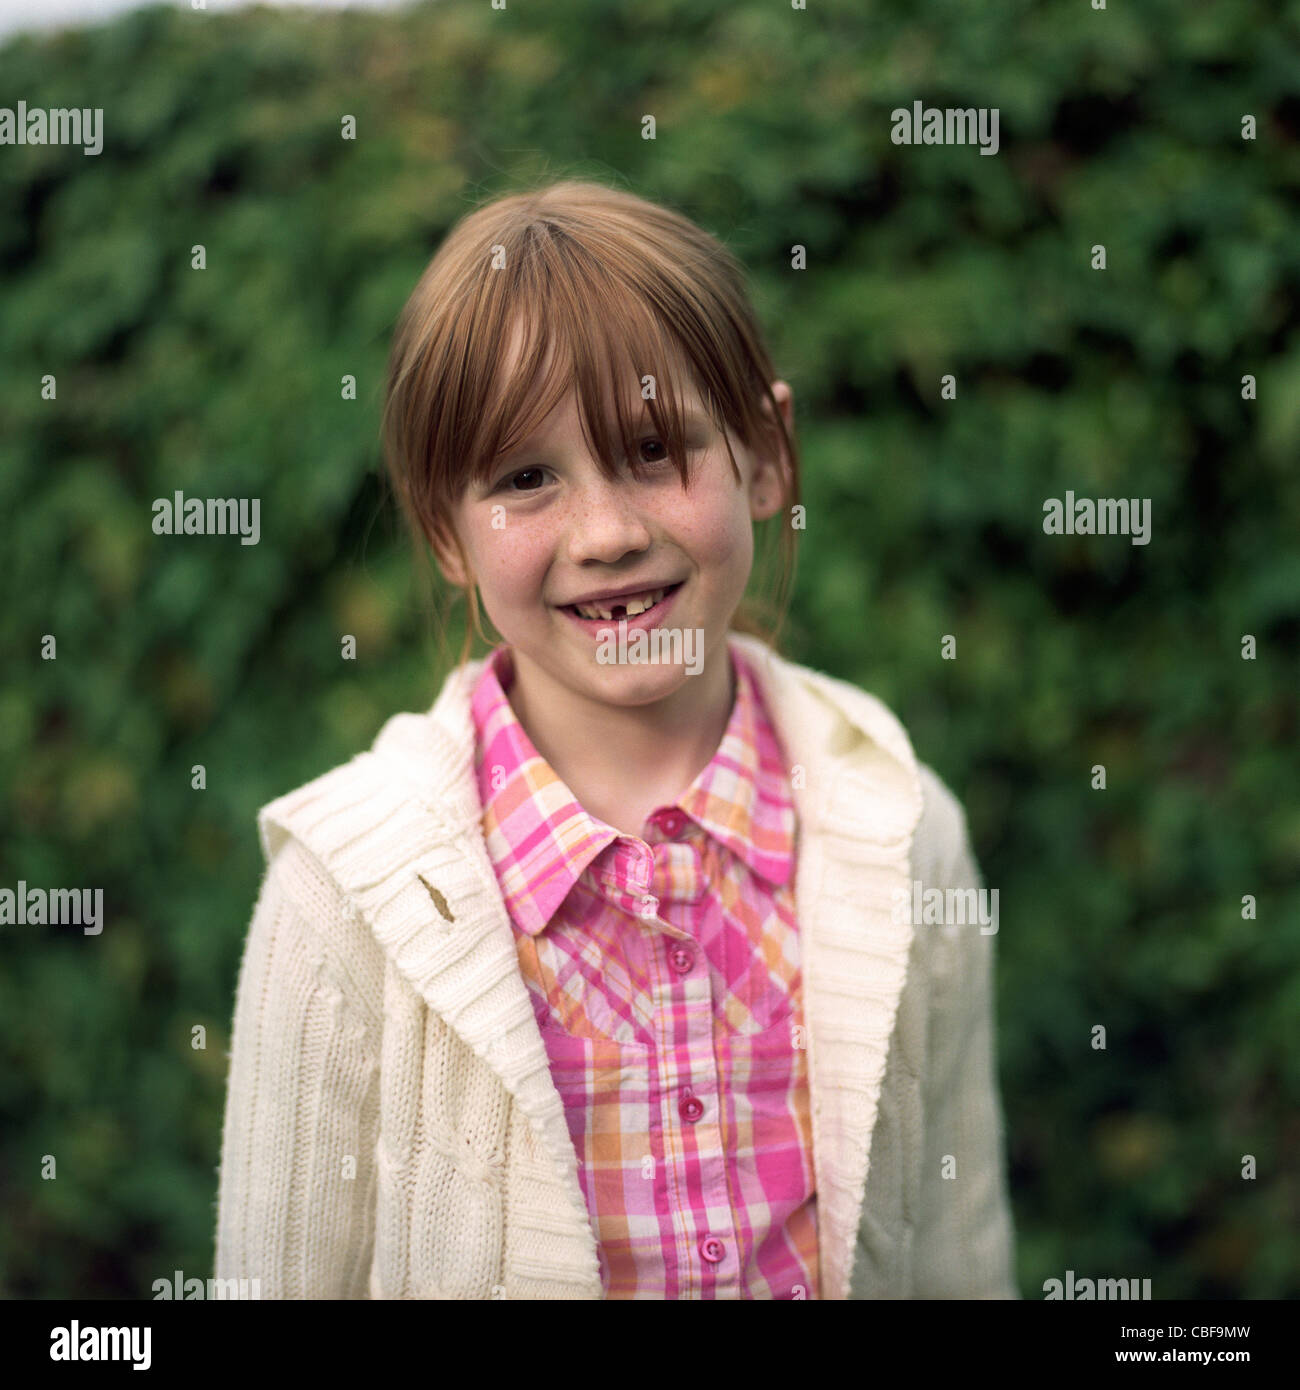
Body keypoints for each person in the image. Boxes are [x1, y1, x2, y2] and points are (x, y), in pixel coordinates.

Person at [213, 178, 1017, 1299]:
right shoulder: (345, 903)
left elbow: (956, 1245)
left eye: (652, 449)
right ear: (447, 530)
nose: (605, 533)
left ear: (766, 455)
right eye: (527, 477)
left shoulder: (903, 838)